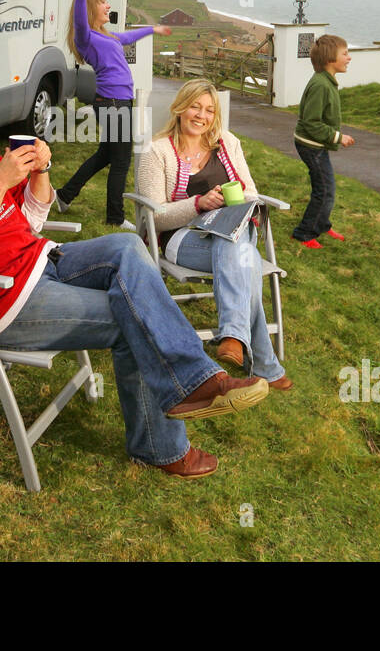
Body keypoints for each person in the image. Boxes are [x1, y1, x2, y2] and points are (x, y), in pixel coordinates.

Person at [0, 79, 268, 480]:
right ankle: (165, 441)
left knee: (127, 247)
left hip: (40, 261)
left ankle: (193, 382)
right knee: (133, 316)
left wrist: (41, 170)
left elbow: (31, 221)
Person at [136, 80, 291, 391]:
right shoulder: (157, 150)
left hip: (231, 230)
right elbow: (154, 214)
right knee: (243, 259)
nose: (201, 116)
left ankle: (235, 336)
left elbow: (250, 192)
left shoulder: (227, 143)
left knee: (233, 242)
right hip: (182, 238)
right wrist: (198, 203)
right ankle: (260, 359)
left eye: (209, 110)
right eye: (195, 106)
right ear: (180, 108)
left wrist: (231, 203)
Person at [55, 0, 170, 228]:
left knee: (106, 155)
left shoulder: (106, 35)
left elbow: (128, 36)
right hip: (113, 103)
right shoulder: (86, 37)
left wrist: (153, 29)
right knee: (121, 160)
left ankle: (64, 195)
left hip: (117, 102)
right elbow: (79, 22)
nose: (108, 6)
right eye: (103, 2)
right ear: (90, 8)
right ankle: (115, 218)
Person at [292, 34, 355, 248]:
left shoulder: (326, 81)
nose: (349, 58)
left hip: (316, 145)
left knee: (327, 187)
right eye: (345, 54)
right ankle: (304, 233)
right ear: (330, 59)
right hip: (311, 146)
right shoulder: (321, 85)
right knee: (325, 190)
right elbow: (311, 123)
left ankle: (322, 225)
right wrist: (338, 137)